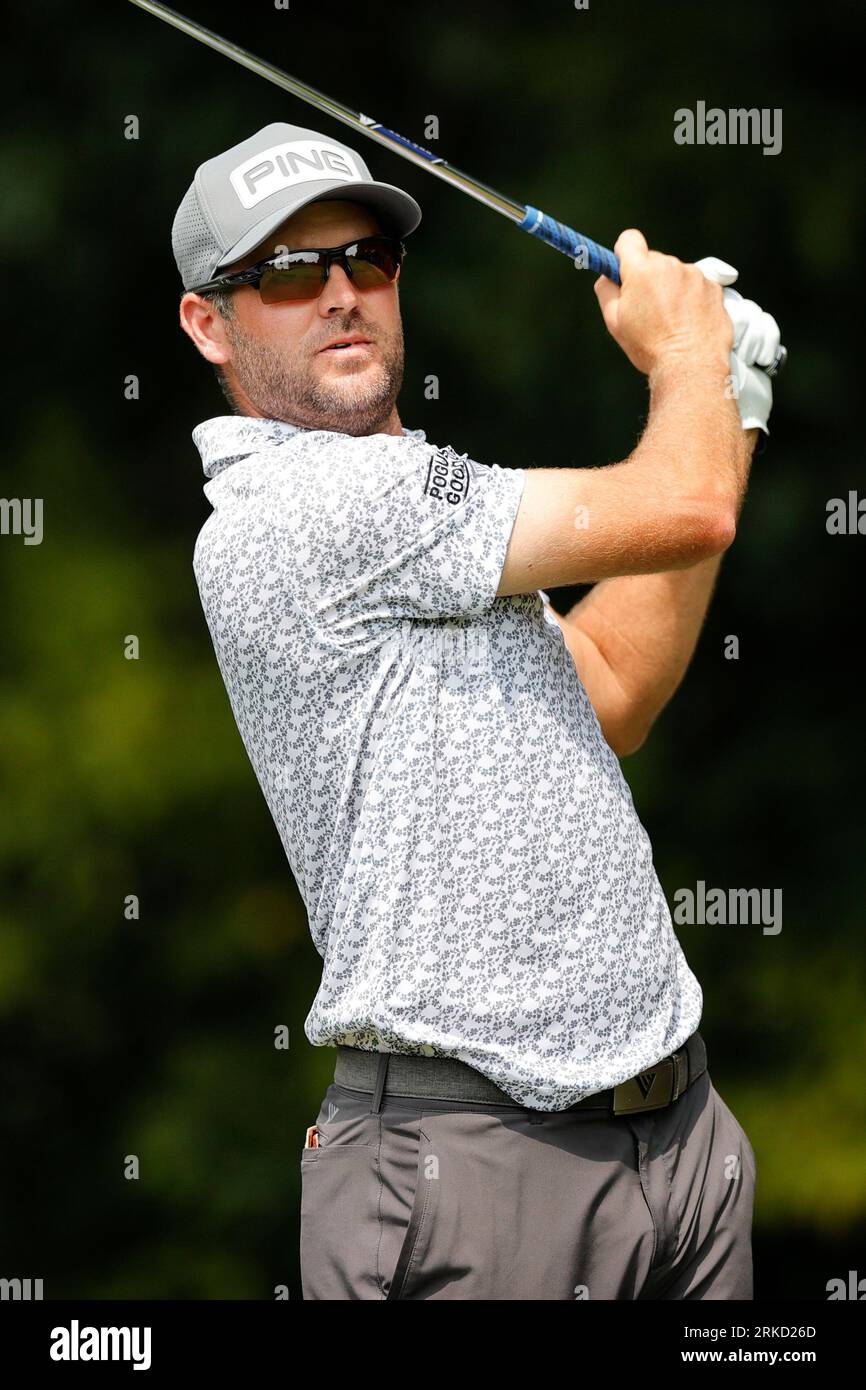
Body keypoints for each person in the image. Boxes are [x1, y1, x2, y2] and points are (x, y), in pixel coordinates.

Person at [172, 121, 779, 1300]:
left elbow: (609, 685)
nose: (341, 295)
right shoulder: (301, 508)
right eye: (289, 273)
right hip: (472, 1165)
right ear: (208, 322)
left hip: (677, 1132)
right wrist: (690, 361)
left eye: (367, 261)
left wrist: (732, 398)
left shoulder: (422, 499)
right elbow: (691, 507)